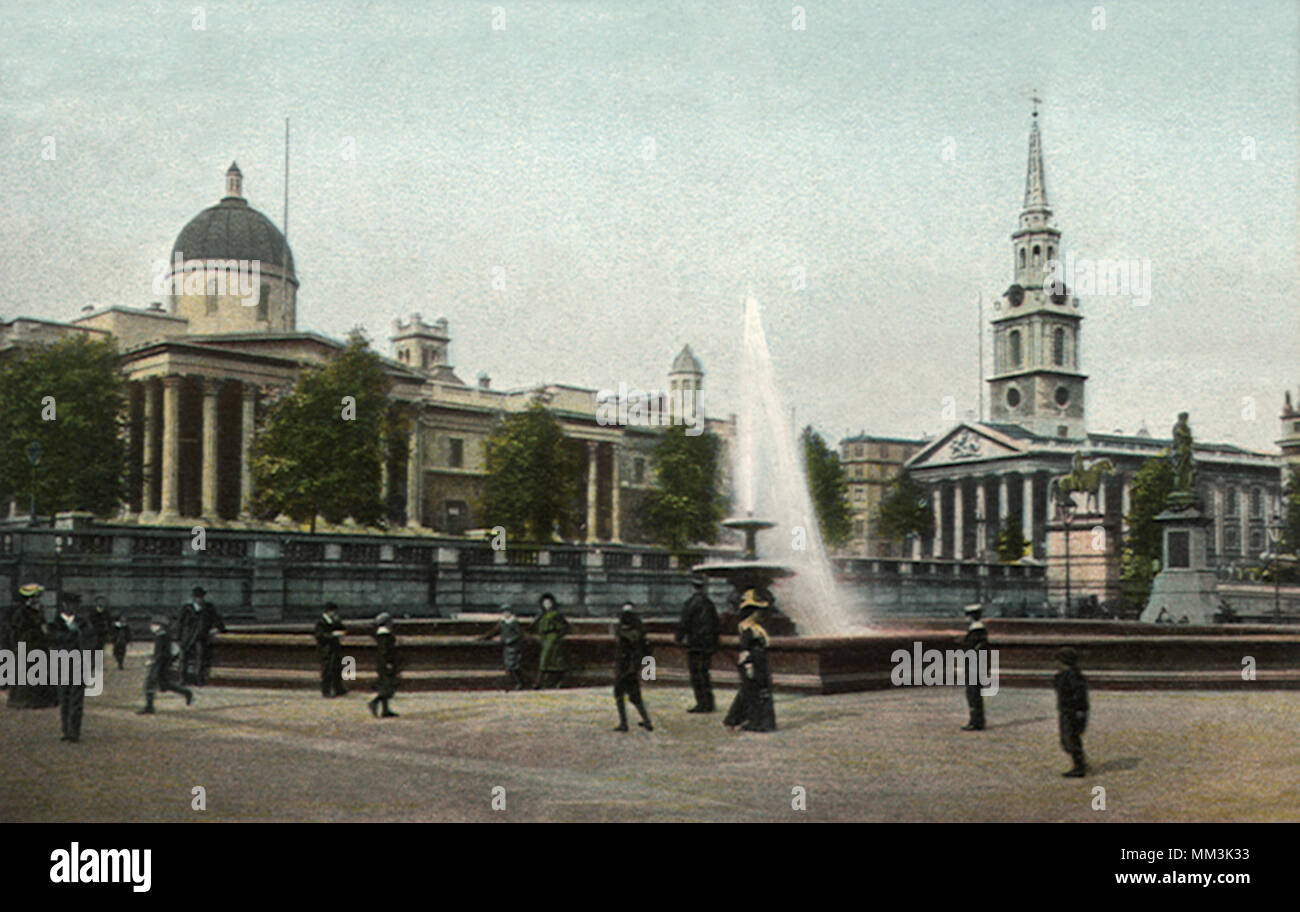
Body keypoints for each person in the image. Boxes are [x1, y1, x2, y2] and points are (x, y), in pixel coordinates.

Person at [723, 588, 777, 732]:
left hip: (760, 661)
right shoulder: (748, 628)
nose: (761, 614)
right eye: (759, 611)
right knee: (753, 692)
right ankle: (751, 721)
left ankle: (756, 721)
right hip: (754, 662)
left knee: (757, 691)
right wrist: (748, 666)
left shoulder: (755, 627)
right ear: (752, 612)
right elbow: (744, 649)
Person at [48, 601, 95, 742]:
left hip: (79, 665)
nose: (72, 608)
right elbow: (52, 640)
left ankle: (74, 732)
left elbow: (91, 642)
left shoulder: (84, 624)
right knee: (64, 699)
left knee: (76, 700)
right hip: (61, 665)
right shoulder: (55, 624)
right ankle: (66, 730)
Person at [8, 583, 58, 708]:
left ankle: (43, 700)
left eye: (36, 597)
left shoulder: (39, 611)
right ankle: (24, 700)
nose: (35, 599)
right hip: (26, 644)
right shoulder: (21, 612)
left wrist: (46, 635)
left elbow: (43, 625)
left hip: (39, 643)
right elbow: (16, 630)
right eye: (33, 597)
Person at [676, 573, 719, 713]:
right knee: (704, 674)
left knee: (696, 674)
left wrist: (679, 637)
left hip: (695, 644)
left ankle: (702, 703)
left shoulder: (690, 603)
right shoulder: (709, 603)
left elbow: (684, 623)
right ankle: (709, 703)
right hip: (707, 645)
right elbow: (716, 624)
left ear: (693, 587)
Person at [138, 617, 193, 714]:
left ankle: (149, 707)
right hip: (161, 663)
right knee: (164, 685)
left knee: (150, 683)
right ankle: (186, 692)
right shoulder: (162, 636)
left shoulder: (162, 636)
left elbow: (162, 653)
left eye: (155, 624)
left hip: (160, 664)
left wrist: (153, 660)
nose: (153, 627)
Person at [612, 604, 654, 732]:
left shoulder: (623, 634)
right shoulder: (640, 633)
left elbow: (622, 655)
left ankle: (624, 723)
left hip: (624, 669)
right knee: (635, 696)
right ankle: (647, 721)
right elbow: (648, 652)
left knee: (618, 694)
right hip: (634, 668)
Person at [177, 585, 226, 685]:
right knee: (183, 659)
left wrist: (220, 629)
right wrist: (178, 637)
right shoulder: (186, 609)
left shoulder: (209, 608)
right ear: (194, 598)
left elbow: (217, 620)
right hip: (187, 637)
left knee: (200, 658)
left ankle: (199, 679)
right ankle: (182, 679)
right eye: (198, 597)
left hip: (200, 637)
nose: (200, 599)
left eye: (201, 597)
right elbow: (180, 624)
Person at [1054, 646, 1090, 777]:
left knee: (1071, 739)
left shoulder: (1073, 677)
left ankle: (1079, 767)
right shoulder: (1065, 675)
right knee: (1068, 739)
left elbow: (1080, 695)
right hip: (1066, 710)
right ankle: (1080, 763)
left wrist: (1080, 710)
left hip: (1072, 711)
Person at [480, 606, 525, 690]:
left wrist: (510, 640)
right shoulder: (502, 622)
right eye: (504, 612)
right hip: (507, 647)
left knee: (514, 666)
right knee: (508, 666)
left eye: (508, 612)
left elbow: (519, 634)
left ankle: (519, 683)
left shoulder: (514, 622)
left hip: (514, 647)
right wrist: (484, 638)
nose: (506, 614)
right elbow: (494, 632)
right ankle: (515, 683)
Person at [960, 603, 989, 731]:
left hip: (973, 667)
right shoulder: (981, 631)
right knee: (976, 694)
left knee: (973, 694)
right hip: (978, 666)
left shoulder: (975, 632)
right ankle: (979, 720)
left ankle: (975, 721)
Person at [531, 593, 570, 689]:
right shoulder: (542, 615)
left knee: (546, 661)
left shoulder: (556, 614)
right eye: (545, 603)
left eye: (549, 603)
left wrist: (557, 636)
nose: (547, 605)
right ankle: (550, 682)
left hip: (553, 639)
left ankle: (539, 683)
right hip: (544, 639)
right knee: (550, 661)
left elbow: (564, 626)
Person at [368, 612, 399, 718]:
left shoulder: (382, 635)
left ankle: (385, 709)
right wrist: (388, 663)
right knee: (387, 686)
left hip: (383, 663)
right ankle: (375, 702)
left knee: (386, 686)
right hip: (386, 663)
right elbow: (385, 651)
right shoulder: (384, 636)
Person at [313, 604, 348, 697]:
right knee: (327, 670)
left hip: (334, 649)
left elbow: (342, 628)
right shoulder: (321, 622)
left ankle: (338, 688)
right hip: (326, 650)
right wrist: (332, 635)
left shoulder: (334, 621)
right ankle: (326, 691)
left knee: (337, 669)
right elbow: (319, 636)